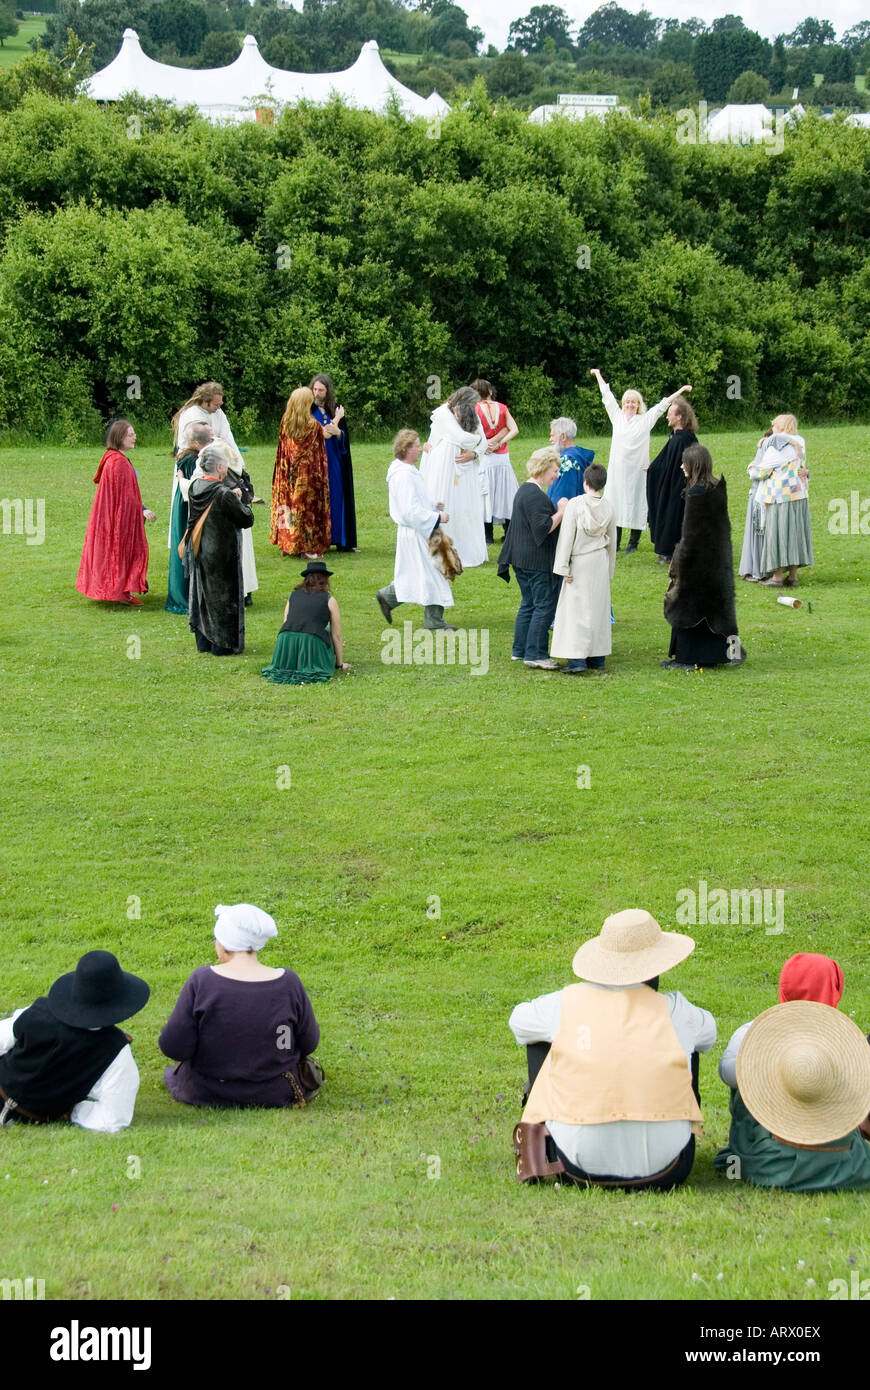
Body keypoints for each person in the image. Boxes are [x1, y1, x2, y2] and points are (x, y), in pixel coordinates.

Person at [510, 909, 715, 1191]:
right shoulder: (678, 1011)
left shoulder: (563, 1004)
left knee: (540, 1039)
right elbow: (709, 1035)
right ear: (657, 965)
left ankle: (539, 1140)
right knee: (686, 1047)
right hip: (670, 1166)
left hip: (573, 1163)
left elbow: (518, 1021)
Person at [159, 904, 321, 1108]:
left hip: (206, 1090)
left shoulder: (202, 981)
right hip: (276, 1089)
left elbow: (174, 1047)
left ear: (223, 943)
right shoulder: (289, 983)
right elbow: (309, 1043)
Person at [714, 1000, 870, 1192]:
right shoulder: (859, 1162)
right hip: (845, 1167)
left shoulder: (750, 1034)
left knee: (743, 1083)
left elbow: (729, 1073)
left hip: (772, 1166)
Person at [0, 951, 149, 1131]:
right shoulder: (115, 1052)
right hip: (36, 1115)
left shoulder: (38, 1010)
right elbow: (113, 1118)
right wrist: (73, 1110)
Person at [590, 368, 692, 553]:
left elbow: (663, 405)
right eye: (627, 402)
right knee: (615, 502)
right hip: (618, 470)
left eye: (633, 402)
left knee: (636, 502)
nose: (629, 405)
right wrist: (597, 374)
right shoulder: (617, 417)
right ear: (623, 404)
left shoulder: (645, 420)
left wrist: (682, 391)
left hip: (638, 470)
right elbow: (607, 395)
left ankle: (633, 542)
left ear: (638, 405)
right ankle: (616, 540)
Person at [662, 444, 745, 671]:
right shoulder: (716, 487)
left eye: (684, 463)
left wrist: (681, 559)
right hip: (718, 559)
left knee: (690, 609)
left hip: (698, 563)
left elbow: (692, 534)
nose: (681, 467)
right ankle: (720, 654)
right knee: (716, 609)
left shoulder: (696, 493)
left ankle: (689, 658)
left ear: (693, 465)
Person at [375, 429, 456, 634]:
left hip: (417, 530)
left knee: (416, 573)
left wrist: (431, 505)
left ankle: (388, 597)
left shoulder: (407, 471)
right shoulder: (403, 475)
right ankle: (434, 621)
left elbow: (414, 502)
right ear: (406, 449)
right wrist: (437, 517)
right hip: (417, 532)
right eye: (417, 446)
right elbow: (409, 511)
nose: (420, 449)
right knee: (435, 572)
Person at [497, 447, 567, 670]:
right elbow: (543, 528)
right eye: (555, 470)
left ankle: (520, 649)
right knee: (544, 605)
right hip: (536, 561)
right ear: (544, 468)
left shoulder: (524, 490)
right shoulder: (535, 495)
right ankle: (535, 653)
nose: (556, 475)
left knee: (528, 604)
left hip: (520, 559)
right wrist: (561, 511)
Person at [76, 419, 155, 606]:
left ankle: (121, 590)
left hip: (117, 513)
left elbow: (126, 493)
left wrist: (139, 509)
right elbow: (124, 497)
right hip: (118, 515)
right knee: (120, 549)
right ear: (119, 437)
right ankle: (121, 591)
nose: (134, 437)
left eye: (134, 433)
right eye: (130, 434)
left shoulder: (115, 458)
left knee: (119, 550)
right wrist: (141, 511)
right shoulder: (117, 462)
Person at [185, 440, 254, 655]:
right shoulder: (223, 494)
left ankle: (204, 642)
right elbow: (246, 518)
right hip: (222, 554)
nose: (226, 469)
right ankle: (222, 645)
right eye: (224, 465)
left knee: (203, 597)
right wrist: (240, 500)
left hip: (200, 551)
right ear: (218, 468)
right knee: (222, 600)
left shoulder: (195, 486)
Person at [551, 463, 616, 674]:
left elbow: (566, 537)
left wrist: (562, 566)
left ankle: (577, 658)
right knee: (598, 608)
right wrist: (609, 570)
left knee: (576, 610)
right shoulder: (608, 506)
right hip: (599, 560)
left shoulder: (576, 505)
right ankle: (597, 657)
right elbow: (612, 541)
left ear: (585, 482)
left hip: (579, 562)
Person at [421, 387, 489, 568]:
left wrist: (474, 453)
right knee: (447, 501)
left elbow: (484, 441)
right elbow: (460, 437)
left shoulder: (471, 414)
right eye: (473, 404)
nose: (476, 407)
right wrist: (477, 442)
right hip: (445, 465)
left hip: (467, 468)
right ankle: (444, 547)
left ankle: (465, 547)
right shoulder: (444, 413)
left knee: (466, 505)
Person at [261, 560, 350, 684]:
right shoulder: (329, 600)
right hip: (311, 640)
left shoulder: (293, 595)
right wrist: (340, 664)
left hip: (285, 640)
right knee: (328, 632)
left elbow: (286, 621)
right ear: (325, 579)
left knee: (319, 632)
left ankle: (292, 662)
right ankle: (310, 662)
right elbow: (337, 635)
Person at [752, 414, 812, 588]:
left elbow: (761, 471)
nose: (772, 427)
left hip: (780, 496)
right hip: (799, 495)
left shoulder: (777, 446)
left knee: (778, 534)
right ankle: (793, 576)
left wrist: (751, 469)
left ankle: (777, 577)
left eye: (775, 425)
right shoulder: (800, 441)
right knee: (795, 534)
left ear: (782, 427)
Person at [271, 388, 331, 559]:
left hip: (287, 470)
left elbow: (282, 448)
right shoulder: (313, 426)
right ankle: (307, 547)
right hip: (307, 473)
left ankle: (287, 543)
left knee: (288, 505)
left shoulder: (286, 421)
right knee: (306, 509)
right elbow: (319, 451)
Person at [166, 420, 213, 614]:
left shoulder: (188, 457)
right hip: (189, 507)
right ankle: (186, 595)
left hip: (185, 504)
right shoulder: (192, 460)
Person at [646, 396, 699, 565]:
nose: (667, 416)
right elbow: (665, 461)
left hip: (678, 487)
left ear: (680, 417)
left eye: (670, 413)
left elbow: (677, 466)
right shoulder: (676, 437)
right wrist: (653, 469)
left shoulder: (682, 439)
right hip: (671, 485)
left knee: (673, 516)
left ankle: (670, 552)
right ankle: (668, 551)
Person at [310, 373, 358, 552]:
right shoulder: (308, 409)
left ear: (327, 391)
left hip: (335, 461)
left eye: (321, 390)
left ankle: (340, 539)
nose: (317, 393)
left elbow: (342, 436)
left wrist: (339, 433)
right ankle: (319, 540)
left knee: (337, 496)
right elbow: (320, 434)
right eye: (314, 389)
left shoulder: (335, 408)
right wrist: (335, 422)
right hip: (315, 462)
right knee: (318, 498)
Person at [471, 379, 519, 545]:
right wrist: (499, 442)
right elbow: (514, 429)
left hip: (485, 456)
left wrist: (486, 444)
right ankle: (509, 531)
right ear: (490, 391)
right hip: (502, 456)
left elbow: (473, 432)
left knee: (486, 492)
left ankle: (488, 534)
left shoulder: (475, 409)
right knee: (506, 492)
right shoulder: (502, 408)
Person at [547, 418, 595, 507]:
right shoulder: (579, 456)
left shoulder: (567, 462)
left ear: (563, 437)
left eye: (553, 435)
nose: (550, 439)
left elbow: (561, 497)